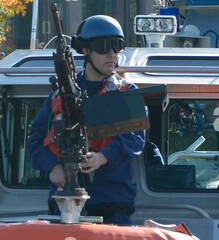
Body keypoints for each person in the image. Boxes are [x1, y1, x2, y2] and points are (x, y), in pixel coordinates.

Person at [27, 15, 147, 225]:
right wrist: (52, 168)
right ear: (85, 50)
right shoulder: (61, 95)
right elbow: (35, 140)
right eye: (103, 47)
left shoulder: (127, 91)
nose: (111, 54)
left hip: (112, 203)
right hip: (64, 203)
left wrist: (102, 157)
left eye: (116, 47)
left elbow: (136, 139)